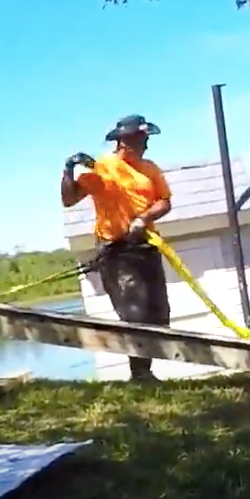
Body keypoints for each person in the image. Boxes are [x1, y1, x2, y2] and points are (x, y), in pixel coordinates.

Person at [60, 114, 173, 382]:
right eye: (143, 139)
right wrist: (68, 170)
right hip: (115, 250)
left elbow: (165, 202)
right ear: (126, 141)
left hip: (145, 244)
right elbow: (69, 198)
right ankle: (140, 374)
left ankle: (147, 370)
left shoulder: (150, 168)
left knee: (158, 312)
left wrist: (144, 218)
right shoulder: (102, 168)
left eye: (147, 140)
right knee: (134, 312)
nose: (146, 144)